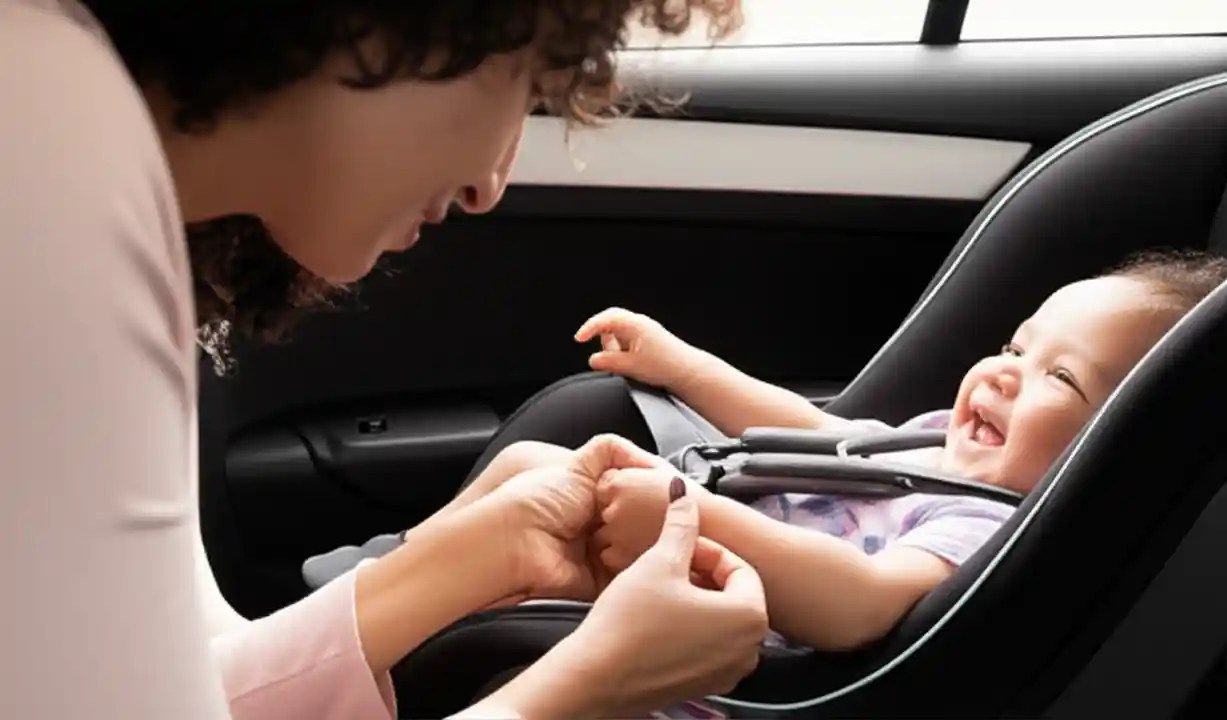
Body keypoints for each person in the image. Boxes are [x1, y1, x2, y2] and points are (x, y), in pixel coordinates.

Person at [0, 1, 773, 719]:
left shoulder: (74, 120)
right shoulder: (49, 170)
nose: (489, 185)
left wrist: (468, 559)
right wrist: (585, 686)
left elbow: (181, 683)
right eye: (526, 75)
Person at [585, 248, 1227, 660]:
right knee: (534, 464)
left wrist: (684, 517)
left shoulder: (987, 526)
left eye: (1061, 377)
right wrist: (683, 366)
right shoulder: (938, 441)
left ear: (1119, 454)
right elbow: (819, 433)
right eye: (1015, 349)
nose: (1002, 374)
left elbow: (860, 602)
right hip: (661, 571)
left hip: (700, 659)